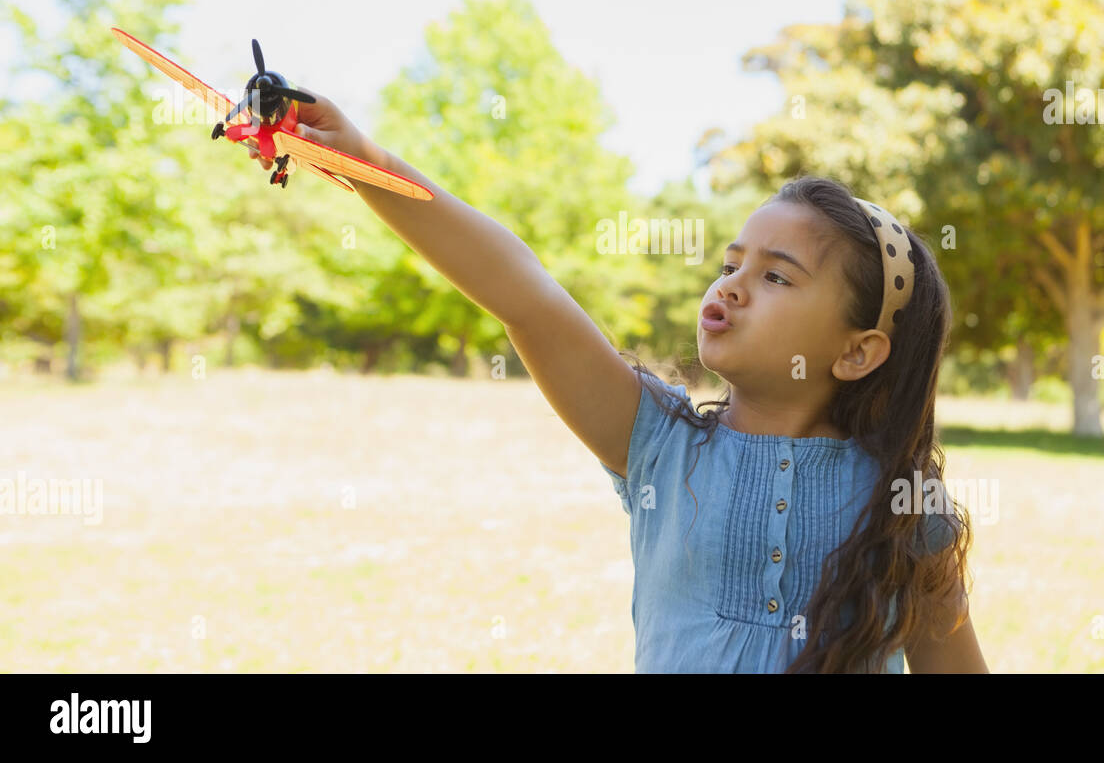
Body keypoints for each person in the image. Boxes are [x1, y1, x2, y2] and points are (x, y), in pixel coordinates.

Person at [270, 92, 987, 673]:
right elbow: (525, 293)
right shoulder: (658, 444)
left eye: (776, 276)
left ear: (858, 352)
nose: (733, 286)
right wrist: (365, 162)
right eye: (731, 263)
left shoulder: (900, 502)